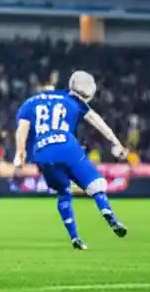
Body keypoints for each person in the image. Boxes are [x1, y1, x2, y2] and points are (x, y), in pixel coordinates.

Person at [13, 70, 129, 250]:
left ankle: (75, 237)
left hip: (43, 153)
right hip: (66, 146)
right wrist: (116, 143)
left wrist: (19, 155)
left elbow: (22, 131)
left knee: (63, 192)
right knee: (95, 184)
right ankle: (110, 215)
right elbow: (96, 121)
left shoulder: (28, 104)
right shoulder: (69, 98)